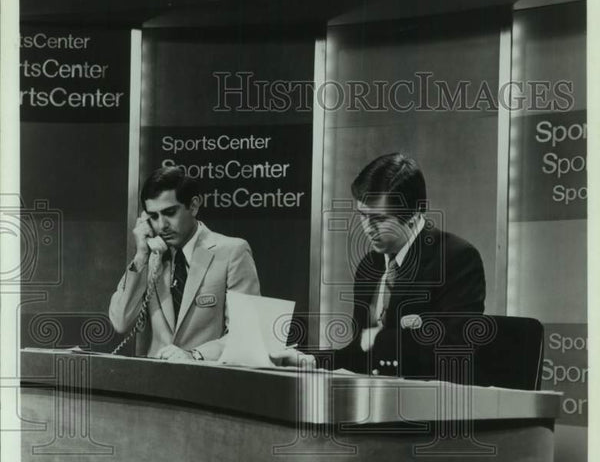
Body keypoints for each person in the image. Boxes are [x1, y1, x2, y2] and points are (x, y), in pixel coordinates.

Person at [275, 152, 485, 374]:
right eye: (362, 215)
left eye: (379, 219)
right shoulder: (370, 265)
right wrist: (311, 361)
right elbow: (361, 353)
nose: (367, 228)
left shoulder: (457, 258)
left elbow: (456, 348)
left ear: (413, 215)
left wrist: (381, 339)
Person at [109, 166, 260, 361]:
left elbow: (245, 334)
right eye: (153, 216)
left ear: (194, 205)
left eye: (170, 212)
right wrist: (141, 256)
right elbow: (121, 322)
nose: (162, 225)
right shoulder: (151, 257)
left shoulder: (233, 252)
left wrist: (195, 355)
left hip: (208, 382)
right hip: (154, 383)